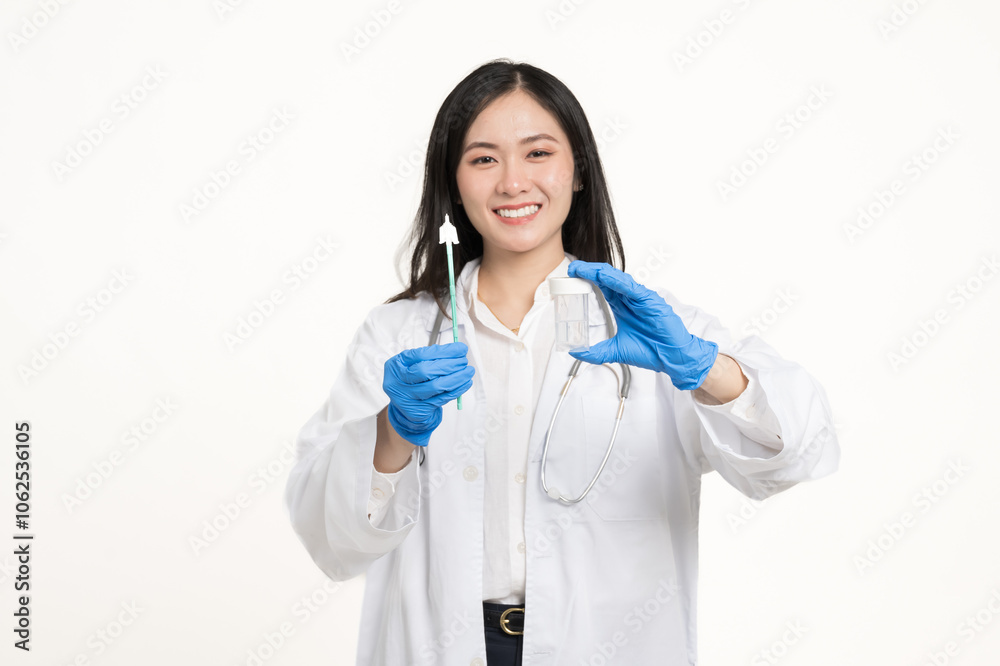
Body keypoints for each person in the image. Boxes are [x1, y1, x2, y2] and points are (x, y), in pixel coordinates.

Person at [284, 58, 839, 666]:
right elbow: (328, 536)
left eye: (538, 153)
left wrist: (703, 367)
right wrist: (392, 430)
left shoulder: (652, 330)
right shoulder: (399, 333)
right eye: (483, 158)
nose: (513, 182)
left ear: (578, 173)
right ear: (454, 182)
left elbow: (797, 452)